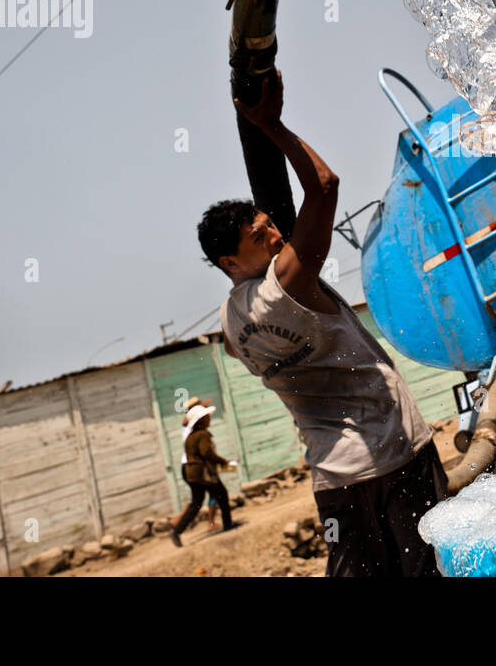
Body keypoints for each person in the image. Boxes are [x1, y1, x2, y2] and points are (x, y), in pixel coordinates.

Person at [197, 68, 446, 576]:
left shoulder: (229, 323)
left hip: (337, 480)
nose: (275, 236)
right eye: (261, 234)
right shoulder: (286, 283)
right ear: (229, 260)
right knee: (427, 570)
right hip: (397, 457)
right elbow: (325, 185)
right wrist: (273, 126)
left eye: (271, 225)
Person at [171, 404, 237, 547]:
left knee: (196, 502)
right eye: (206, 417)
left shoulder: (191, 436)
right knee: (222, 494)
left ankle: (176, 531)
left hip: (192, 473)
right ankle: (228, 524)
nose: (209, 418)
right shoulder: (203, 435)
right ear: (201, 421)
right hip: (203, 473)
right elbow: (206, 453)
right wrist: (223, 461)